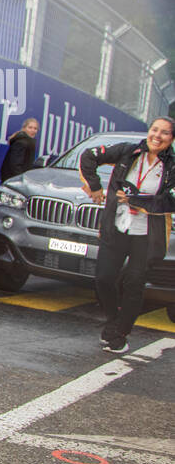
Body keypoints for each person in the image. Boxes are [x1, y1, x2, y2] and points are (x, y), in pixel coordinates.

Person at [80, 117, 175, 354]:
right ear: (149, 131)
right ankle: (114, 321)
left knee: (134, 283)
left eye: (165, 133)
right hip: (117, 226)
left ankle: (120, 334)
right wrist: (94, 186)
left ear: (171, 138)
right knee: (103, 278)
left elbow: (170, 200)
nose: (157, 136)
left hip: (147, 234)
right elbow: (89, 156)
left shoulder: (172, 165)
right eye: (155, 130)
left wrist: (135, 199)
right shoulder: (128, 151)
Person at [0, 117, 39, 181]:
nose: (33, 130)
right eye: (30, 127)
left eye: (35, 128)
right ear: (24, 128)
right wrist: (21, 179)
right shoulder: (22, 143)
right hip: (14, 180)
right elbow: (14, 165)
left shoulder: (28, 142)